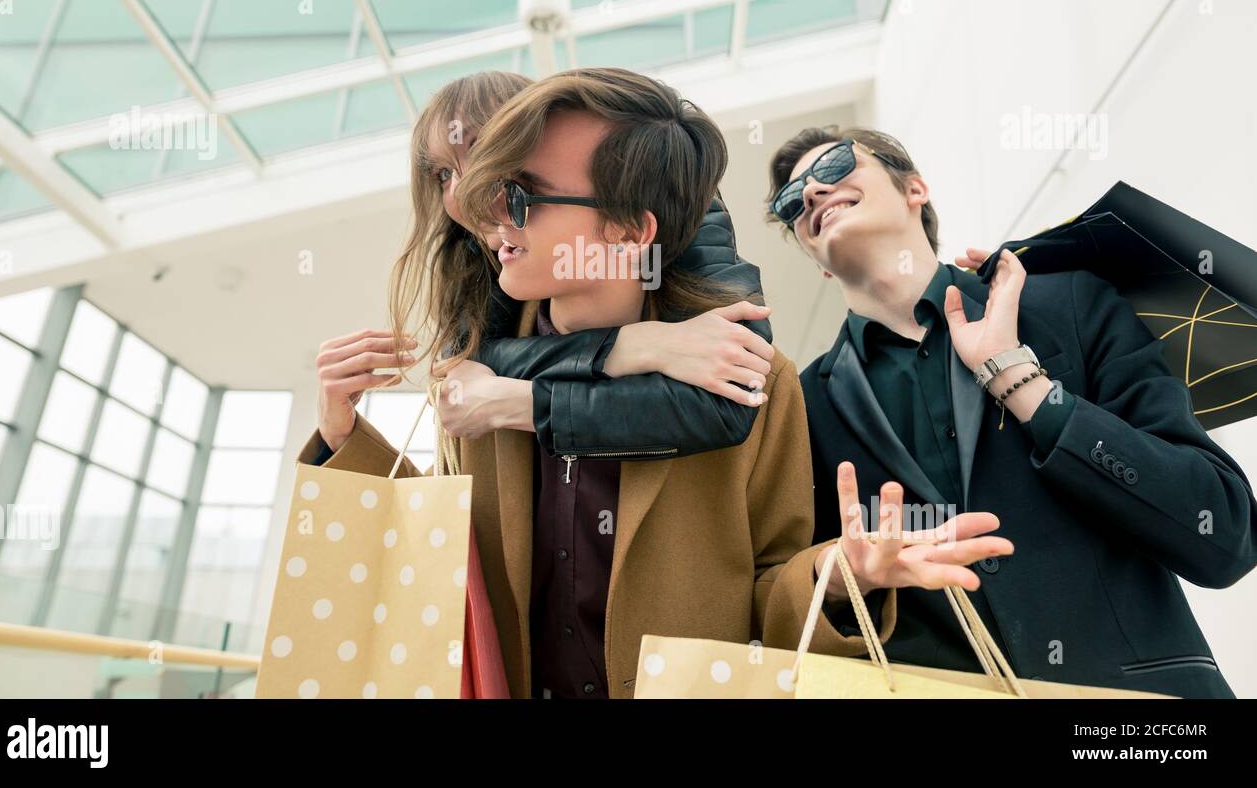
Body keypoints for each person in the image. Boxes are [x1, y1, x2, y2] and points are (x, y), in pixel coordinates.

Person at [301, 69, 1010, 699]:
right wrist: (342, 438)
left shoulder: (755, 381)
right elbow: (440, 552)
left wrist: (843, 574)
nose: (487, 213)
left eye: (521, 195)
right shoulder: (471, 384)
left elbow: (766, 584)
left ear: (628, 229)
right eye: (470, 182)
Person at [766, 124, 1257, 697]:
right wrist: (848, 578)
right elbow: (791, 608)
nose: (811, 195)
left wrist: (1025, 387)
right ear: (818, 263)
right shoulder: (801, 407)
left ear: (914, 190)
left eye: (833, 169)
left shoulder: (1067, 303)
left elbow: (1224, 531)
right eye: (791, 203)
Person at [312, 70, 778, 465]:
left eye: (479, 155)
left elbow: (735, 392)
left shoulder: (678, 208)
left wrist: (527, 402)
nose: (460, 192)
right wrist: (628, 348)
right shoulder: (470, 258)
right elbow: (468, 362)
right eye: (442, 174)